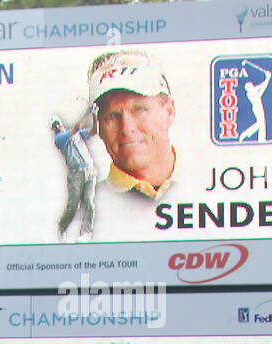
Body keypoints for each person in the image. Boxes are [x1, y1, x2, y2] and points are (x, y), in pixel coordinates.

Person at [88, 50, 177, 201]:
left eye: (139, 110)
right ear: (98, 126)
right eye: (112, 115)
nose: (127, 128)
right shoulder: (89, 207)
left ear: (169, 112)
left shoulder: (212, 180)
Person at [50, 113, 97, 240]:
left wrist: (95, 115)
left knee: (89, 202)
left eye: (58, 123)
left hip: (90, 171)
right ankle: (62, 228)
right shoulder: (60, 139)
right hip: (76, 174)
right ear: (53, 129)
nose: (58, 126)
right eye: (55, 125)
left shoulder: (76, 134)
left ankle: (86, 232)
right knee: (73, 206)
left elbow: (94, 132)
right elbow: (76, 128)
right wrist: (88, 111)